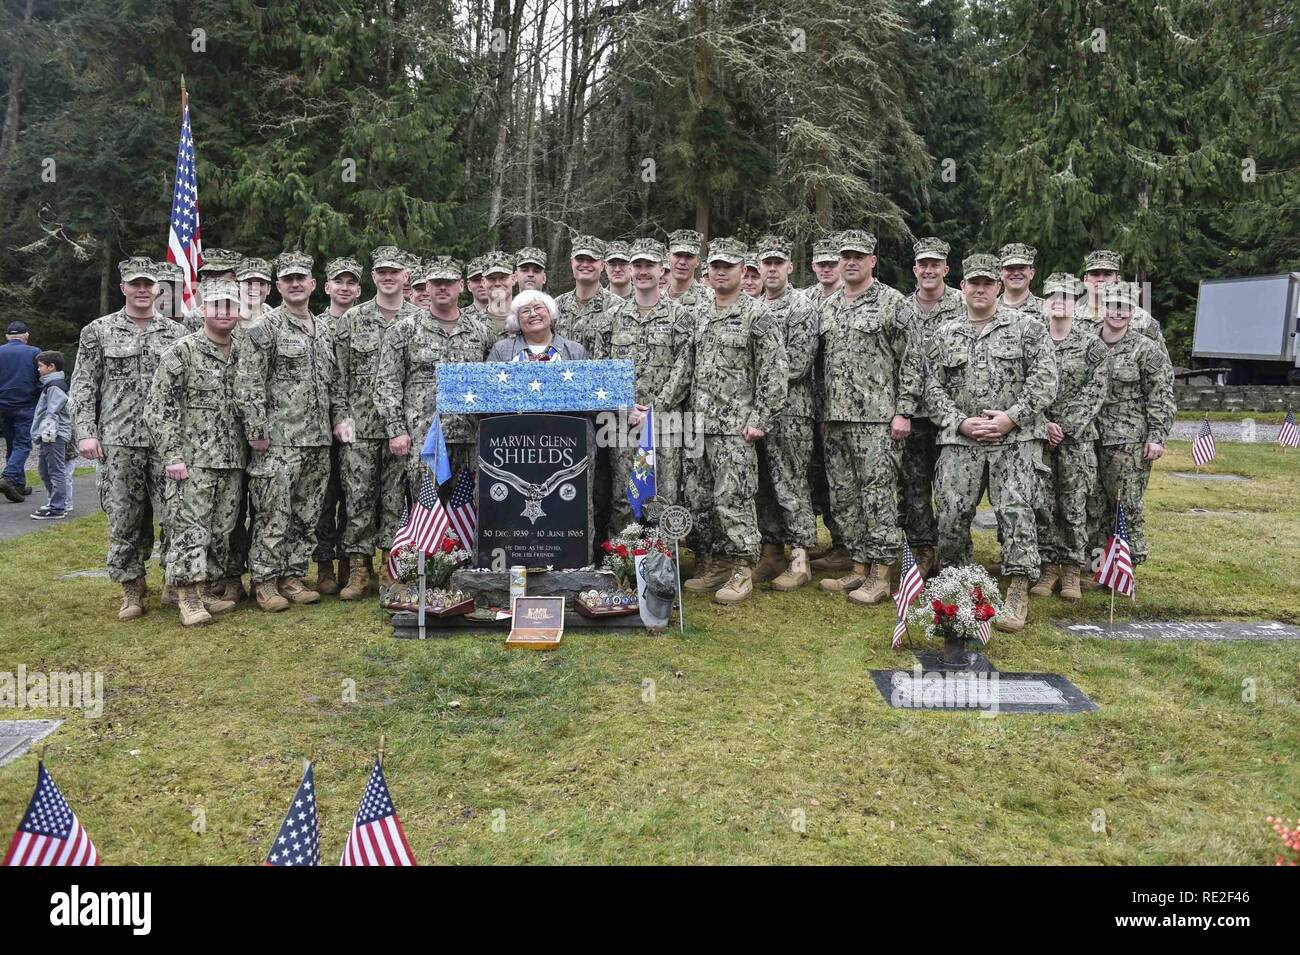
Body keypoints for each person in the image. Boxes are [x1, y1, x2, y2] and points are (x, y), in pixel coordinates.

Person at [645, 237, 788, 604]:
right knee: (701, 499)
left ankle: (743, 569)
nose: (721, 271)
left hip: (735, 429)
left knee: (733, 498)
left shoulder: (758, 316)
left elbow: (775, 372)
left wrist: (760, 418)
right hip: (698, 426)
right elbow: (685, 369)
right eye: (716, 266)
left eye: (729, 266)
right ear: (707, 271)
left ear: (743, 271)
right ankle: (717, 565)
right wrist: (657, 408)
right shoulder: (700, 314)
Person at [923, 253, 1058, 633]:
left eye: (987, 283)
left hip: (1014, 439)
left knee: (1015, 510)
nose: (979, 289)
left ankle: (1017, 587)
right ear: (962, 287)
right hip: (962, 439)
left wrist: (1009, 417)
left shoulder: (1027, 328)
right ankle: (959, 582)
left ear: (998, 287)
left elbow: (1045, 380)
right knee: (951, 511)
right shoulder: (944, 333)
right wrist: (960, 422)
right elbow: (931, 388)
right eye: (973, 283)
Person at [70, 257, 188, 619]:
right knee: (125, 518)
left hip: (166, 442)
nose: (141, 290)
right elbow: (83, 386)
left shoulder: (176, 333)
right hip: (119, 441)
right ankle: (131, 587)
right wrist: (86, 432)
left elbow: (188, 390)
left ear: (157, 289)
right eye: (134, 284)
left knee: (176, 514)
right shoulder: (98, 331)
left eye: (147, 284)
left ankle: (174, 578)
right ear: (123, 287)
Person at [816, 229, 920, 604]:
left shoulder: (892, 303)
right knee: (845, 498)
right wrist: (823, 412)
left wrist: (903, 410)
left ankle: (881, 573)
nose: (851, 262)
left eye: (859, 256)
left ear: (872, 261)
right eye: (845, 256)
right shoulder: (827, 306)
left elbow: (912, 360)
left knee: (877, 498)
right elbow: (822, 366)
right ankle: (858, 567)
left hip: (878, 420)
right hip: (836, 419)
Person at [236, 251, 340, 611]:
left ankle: (292, 575)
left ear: (313, 284)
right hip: (278, 440)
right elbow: (249, 381)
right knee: (272, 513)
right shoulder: (264, 328)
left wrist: (340, 419)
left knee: (306, 513)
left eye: (302, 278)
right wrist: (256, 429)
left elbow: (334, 383)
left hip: (317, 440)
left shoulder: (324, 329)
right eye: (288, 279)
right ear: (278, 286)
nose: (296, 284)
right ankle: (264, 581)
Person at [146, 278, 246, 626]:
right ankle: (187, 597)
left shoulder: (244, 351)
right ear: (203, 310)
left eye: (230, 306)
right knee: (190, 529)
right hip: (193, 462)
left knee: (221, 531)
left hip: (232, 460)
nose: (223, 312)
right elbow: (158, 408)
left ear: (239, 311)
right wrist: (172, 455)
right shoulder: (182, 351)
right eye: (216, 305)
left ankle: (203, 590)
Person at [331, 247, 424, 600]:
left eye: (394, 271)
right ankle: (358, 568)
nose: (388, 277)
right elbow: (336, 376)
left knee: (395, 498)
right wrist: (341, 417)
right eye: (382, 271)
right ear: (373, 277)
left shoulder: (418, 319)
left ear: (405, 277)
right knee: (357, 497)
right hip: (361, 425)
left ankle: (391, 565)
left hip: (402, 427)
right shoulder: (352, 320)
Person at [588, 238, 690, 533]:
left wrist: (655, 409)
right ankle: (623, 563)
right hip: (622, 423)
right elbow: (601, 370)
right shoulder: (611, 318)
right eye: (637, 265)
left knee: (664, 496)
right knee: (624, 498)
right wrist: (624, 408)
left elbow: (684, 368)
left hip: (665, 422)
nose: (643, 271)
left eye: (649, 265)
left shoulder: (681, 317)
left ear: (662, 270)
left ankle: (663, 565)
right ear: (630, 270)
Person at [377, 255, 492, 493]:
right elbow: (387, 382)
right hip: (424, 439)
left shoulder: (481, 333)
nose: (442, 287)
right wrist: (396, 429)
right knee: (427, 515)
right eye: (436, 282)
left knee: (468, 513)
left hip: (469, 438)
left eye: (449, 282)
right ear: (427, 286)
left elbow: (493, 386)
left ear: (461, 286)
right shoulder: (404, 330)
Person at [1029, 273, 1109, 601]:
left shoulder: (1091, 344)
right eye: (1053, 297)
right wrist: (1043, 423)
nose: (1059, 302)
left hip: (1076, 439)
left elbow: (1096, 389)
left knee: (1075, 503)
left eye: (1066, 296)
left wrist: (1064, 426)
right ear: (1044, 302)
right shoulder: (1034, 340)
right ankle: (1048, 567)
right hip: (1040, 437)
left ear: (1076, 303)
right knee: (1044, 504)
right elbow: (1024, 385)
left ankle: (1073, 569)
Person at [752, 234, 818, 591]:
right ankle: (771, 550)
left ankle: (800, 555)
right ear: (759, 268)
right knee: (762, 483)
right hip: (757, 411)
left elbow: (797, 363)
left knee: (790, 482)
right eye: (767, 263)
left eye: (779, 263)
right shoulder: (755, 306)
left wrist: (753, 377)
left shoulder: (801, 307)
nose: (773, 269)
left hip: (791, 411)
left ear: (790, 267)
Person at [1095, 282, 1176, 568]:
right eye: (1112, 306)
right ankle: (1095, 565)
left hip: (1128, 442)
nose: (1117, 312)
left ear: (1132, 312)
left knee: (1125, 504)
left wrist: (1157, 436)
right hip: (1090, 437)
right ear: (1103, 308)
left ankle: (1126, 566)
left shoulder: (1146, 349)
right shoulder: (1087, 342)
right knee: (1092, 504)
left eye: (1124, 307)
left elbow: (1162, 394)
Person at [900, 237, 964, 575]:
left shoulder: (962, 304)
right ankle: (923, 549)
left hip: (952, 415)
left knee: (952, 488)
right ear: (915, 269)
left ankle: (953, 551)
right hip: (912, 414)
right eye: (923, 264)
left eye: (935, 264)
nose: (928, 270)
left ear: (945, 269)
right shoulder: (902, 307)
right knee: (915, 486)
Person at [312, 256, 362, 595]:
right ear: (327, 286)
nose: (344, 288)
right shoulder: (314, 325)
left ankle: (350, 561)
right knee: (324, 497)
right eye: (338, 282)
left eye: (350, 283)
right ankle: (325, 565)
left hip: (357, 423)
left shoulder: (365, 323)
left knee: (355, 495)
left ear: (359, 290)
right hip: (317, 423)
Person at [28, 350, 73, 520]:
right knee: (44, 469)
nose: (38, 369)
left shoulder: (55, 386)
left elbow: (52, 412)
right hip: (49, 434)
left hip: (53, 434)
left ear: (51, 366)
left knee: (55, 470)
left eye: (40, 366)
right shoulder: (50, 384)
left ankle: (58, 507)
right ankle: (54, 500)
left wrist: (45, 433)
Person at [0, 320, 40, 502]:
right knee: (23, 444)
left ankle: (18, 484)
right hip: (25, 404)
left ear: (8, 336)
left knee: (11, 443)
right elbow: (40, 379)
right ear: (26, 335)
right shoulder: (34, 352)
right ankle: (8, 477)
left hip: (3, 405)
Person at [487, 290, 588, 361]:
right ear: (517, 320)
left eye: (538, 308)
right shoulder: (501, 351)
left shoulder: (575, 351)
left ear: (550, 313)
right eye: (525, 311)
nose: (533, 314)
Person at [665, 229, 713, 313]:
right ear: (668, 257)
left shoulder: (712, 300)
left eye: (689, 256)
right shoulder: (655, 300)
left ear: (698, 261)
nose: (682, 262)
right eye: (677, 255)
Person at [997, 243, 1042, 313]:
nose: (1016, 273)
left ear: (1031, 273)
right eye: (1010, 268)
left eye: (1021, 268)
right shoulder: (987, 309)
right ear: (1001, 274)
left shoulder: (1047, 310)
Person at [481, 251, 517, 339]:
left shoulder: (526, 320)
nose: (497, 283)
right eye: (491, 278)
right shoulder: (471, 324)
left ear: (513, 279)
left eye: (503, 278)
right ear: (483, 282)